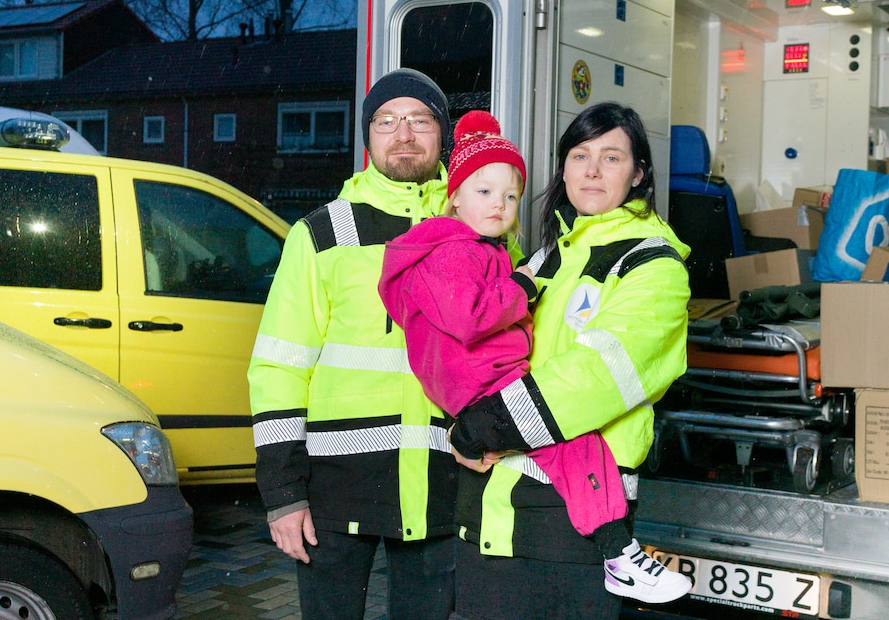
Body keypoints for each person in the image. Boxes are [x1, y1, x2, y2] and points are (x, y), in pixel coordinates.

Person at [377, 110, 692, 606]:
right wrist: (470, 420)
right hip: (488, 510)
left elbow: (595, 377)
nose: (591, 170)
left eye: (611, 158)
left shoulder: (651, 264)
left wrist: (485, 425)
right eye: (580, 156)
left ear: (637, 175)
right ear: (562, 170)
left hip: (567, 524)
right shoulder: (543, 256)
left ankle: (620, 557)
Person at [247, 68, 457, 619]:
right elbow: (278, 369)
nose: (404, 134)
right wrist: (284, 495)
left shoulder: (477, 229)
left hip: (444, 484)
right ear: (368, 137)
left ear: (443, 136)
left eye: (420, 120)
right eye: (387, 121)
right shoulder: (320, 233)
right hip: (335, 489)